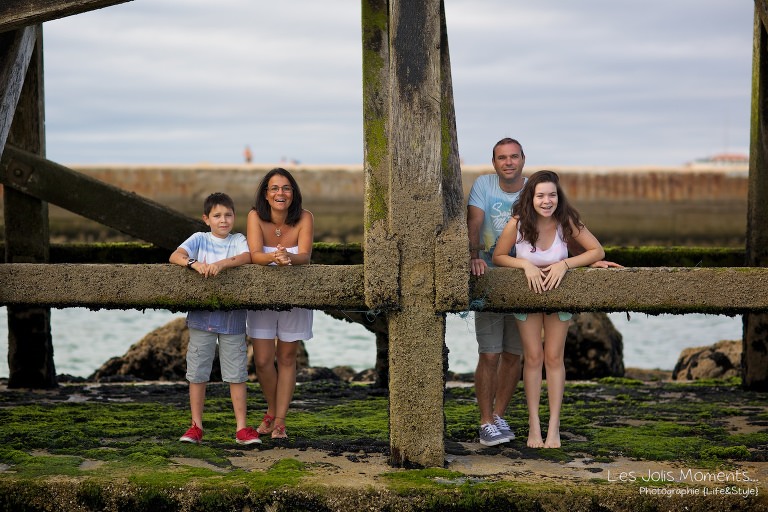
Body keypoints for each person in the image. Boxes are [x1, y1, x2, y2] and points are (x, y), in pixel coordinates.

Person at [492, 170, 605, 449]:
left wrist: (565, 264)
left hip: (559, 298)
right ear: (531, 197)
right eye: (540, 195)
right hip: (527, 298)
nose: (547, 201)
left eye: (552, 195)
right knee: (532, 358)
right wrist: (526, 264)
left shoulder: (566, 221)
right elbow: (499, 256)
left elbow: (597, 251)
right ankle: (534, 426)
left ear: (558, 196)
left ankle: (554, 427)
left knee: (554, 358)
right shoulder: (518, 223)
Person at [170, 192, 261, 446]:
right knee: (198, 373)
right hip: (202, 319)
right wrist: (193, 264)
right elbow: (175, 255)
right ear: (206, 218)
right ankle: (196, 426)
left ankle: (242, 428)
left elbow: (247, 257)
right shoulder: (199, 239)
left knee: (237, 374)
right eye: (217, 215)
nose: (223, 220)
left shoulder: (238, 239)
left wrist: (221, 264)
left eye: (228, 215)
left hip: (232, 321)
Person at [467, 137, 528, 446]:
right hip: (488, 277)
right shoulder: (483, 185)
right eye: (502, 157)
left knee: (513, 355)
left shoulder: (532, 189)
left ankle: (500, 414)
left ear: (522, 160)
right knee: (489, 354)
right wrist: (475, 256)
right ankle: (485, 421)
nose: (508, 162)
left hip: (524, 281)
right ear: (494, 163)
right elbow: (474, 223)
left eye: (514, 156)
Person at [246, 168, 314, 440]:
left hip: (295, 297)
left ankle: (280, 422)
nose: (280, 193)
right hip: (261, 299)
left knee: (286, 358)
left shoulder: (305, 218)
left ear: (293, 193)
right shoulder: (255, 217)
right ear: (266, 193)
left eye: (286, 188)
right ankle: (273, 411)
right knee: (262, 361)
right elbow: (253, 255)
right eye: (274, 188)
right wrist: (275, 258)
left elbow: (306, 256)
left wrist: (288, 258)